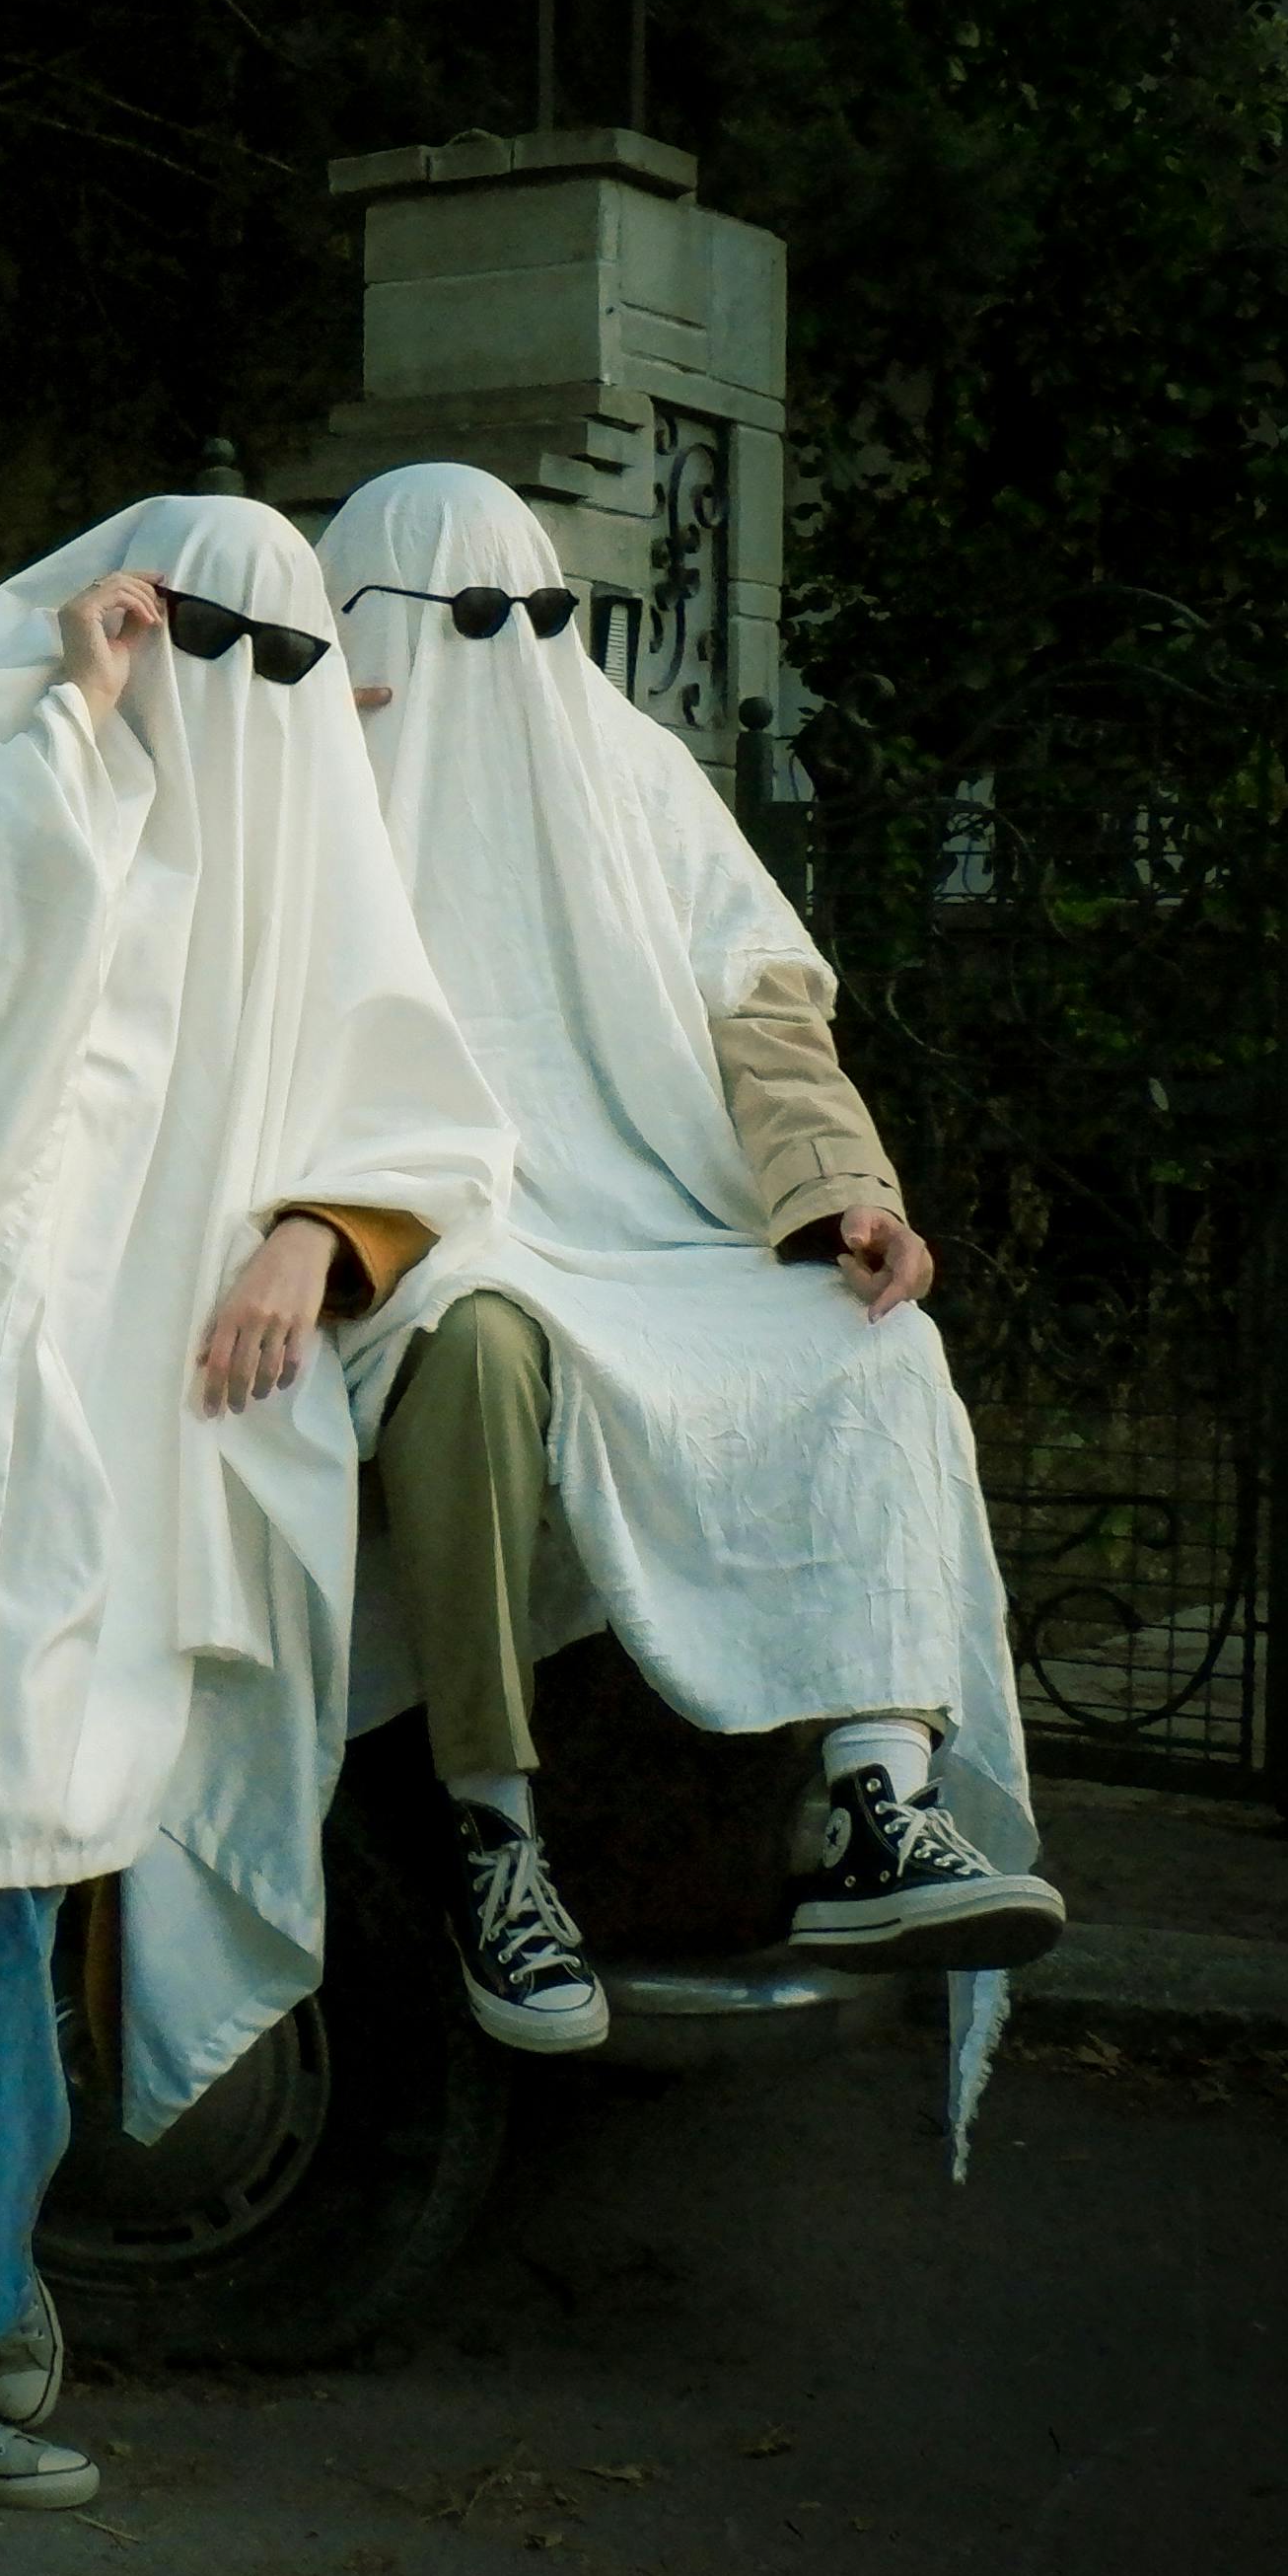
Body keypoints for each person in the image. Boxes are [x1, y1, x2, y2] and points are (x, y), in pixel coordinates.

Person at [0, 494, 510, 2507]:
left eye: (282, 664)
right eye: (207, 646)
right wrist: (73, 718)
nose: (241, 703)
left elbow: (423, 1107)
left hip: (95, 1467)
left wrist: (310, 1234)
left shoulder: (300, 856)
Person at [315, 461, 1065, 2056]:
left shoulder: (627, 768)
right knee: (481, 1346)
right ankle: (494, 1837)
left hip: (656, 1223)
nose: (505, 655)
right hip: (428, 1236)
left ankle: (875, 1795)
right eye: (464, 621)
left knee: (871, 1341)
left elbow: (763, 999)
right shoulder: (307, 787)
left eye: (536, 615)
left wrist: (842, 1193)